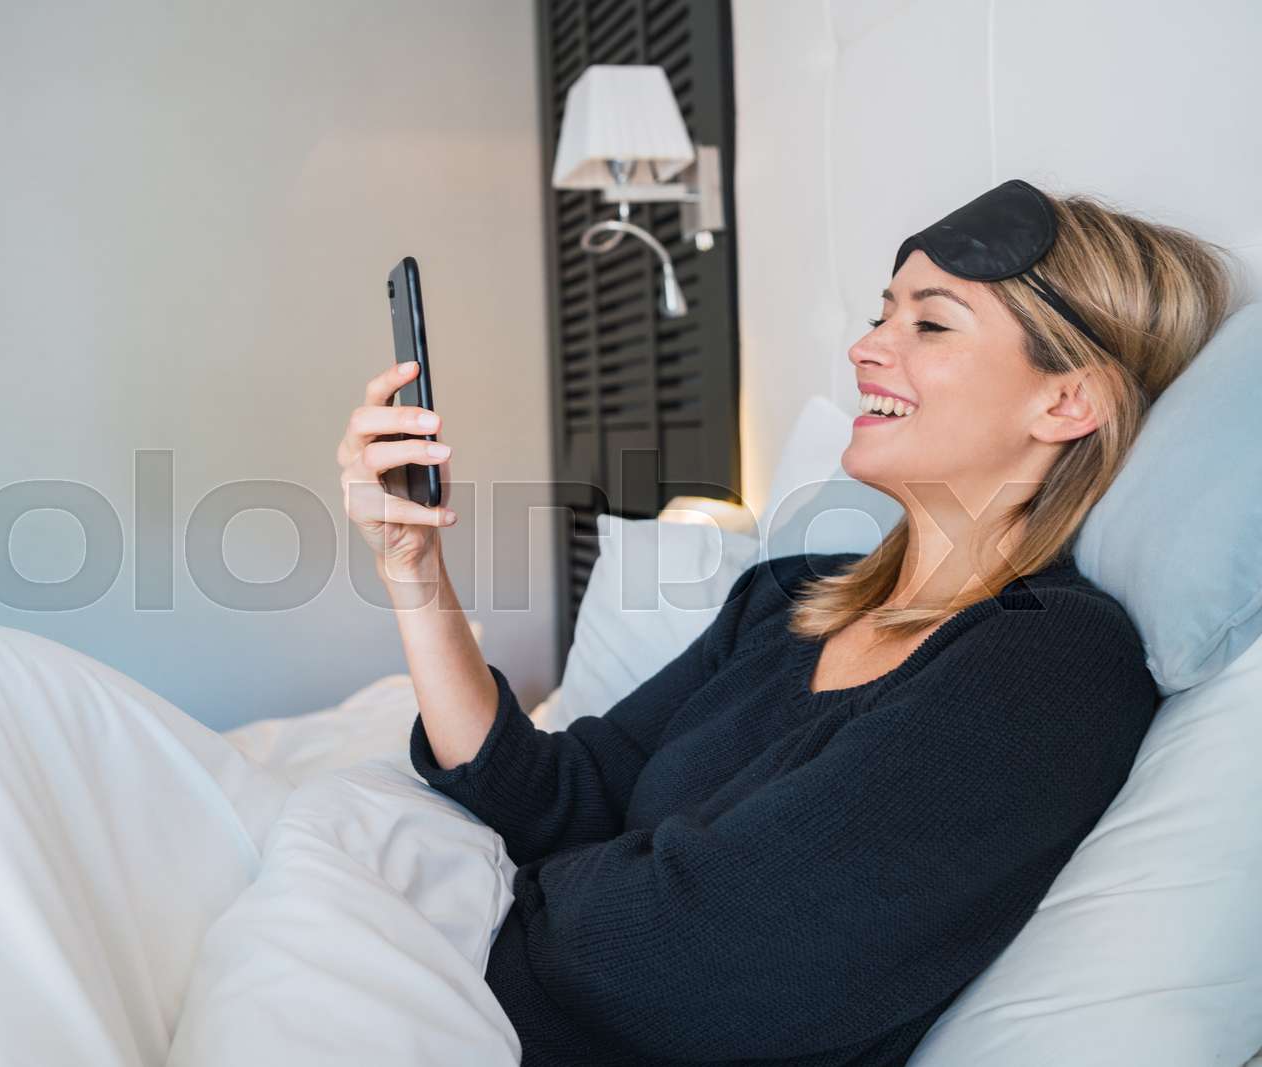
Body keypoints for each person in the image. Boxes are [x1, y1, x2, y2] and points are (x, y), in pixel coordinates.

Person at [335, 179, 1240, 1065]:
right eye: (880, 313)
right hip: (475, 980)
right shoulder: (787, 596)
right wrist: (411, 570)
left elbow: (694, 962)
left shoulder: (1052, 662)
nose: (866, 347)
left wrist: (530, 892)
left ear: (1067, 401)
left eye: (929, 323)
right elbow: (561, 795)